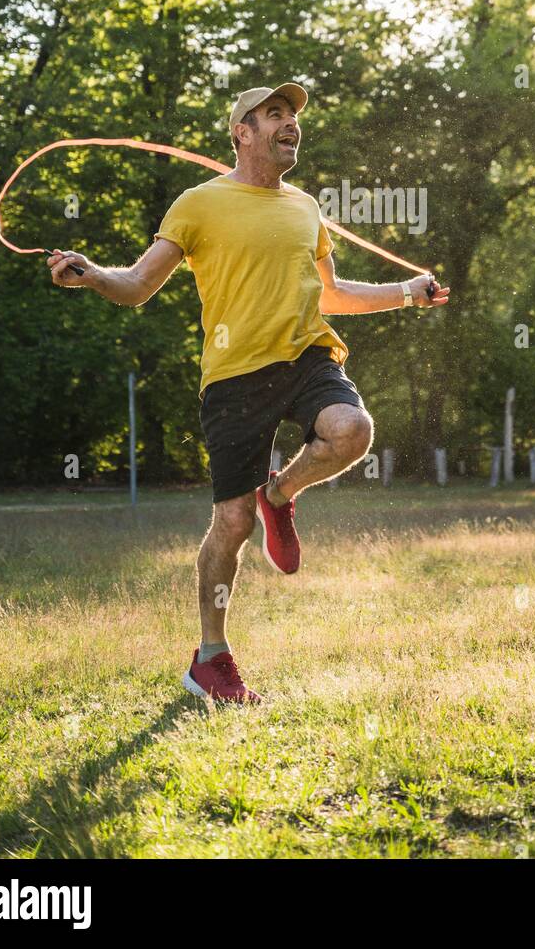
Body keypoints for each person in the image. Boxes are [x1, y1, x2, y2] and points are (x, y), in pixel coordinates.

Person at [47, 82, 449, 703]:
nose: (290, 123)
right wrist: (94, 275)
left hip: (305, 355)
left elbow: (331, 294)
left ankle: (280, 493)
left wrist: (405, 292)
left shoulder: (305, 208)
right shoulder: (198, 204)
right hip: (233, 376)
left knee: (352, 430)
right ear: (241, 132)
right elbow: (136, 285)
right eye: (274, 115)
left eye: (292, 116)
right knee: (230, 522)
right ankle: (210, 658)